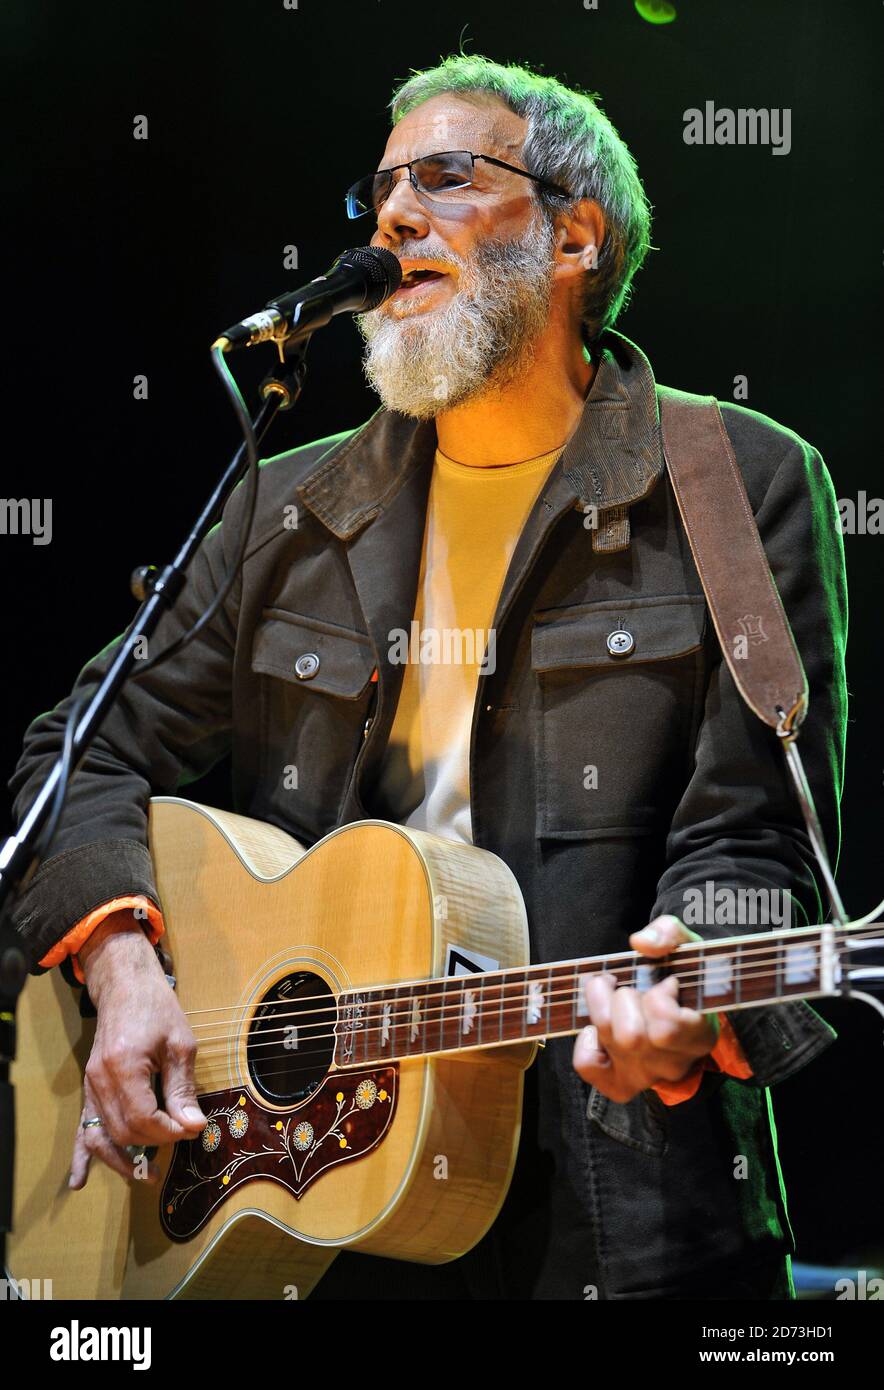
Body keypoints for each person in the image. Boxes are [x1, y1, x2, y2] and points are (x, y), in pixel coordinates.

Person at [8, 55, 847, 1300]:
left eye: (448, 176)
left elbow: (753, 847)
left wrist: (693, 1007)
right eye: (381, 189)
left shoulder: (734, 484)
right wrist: (125, 961)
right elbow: (75, 758)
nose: (393, 216)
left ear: (572, 237)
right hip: (296, 1207)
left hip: (610, 1218)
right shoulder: (287, 504)